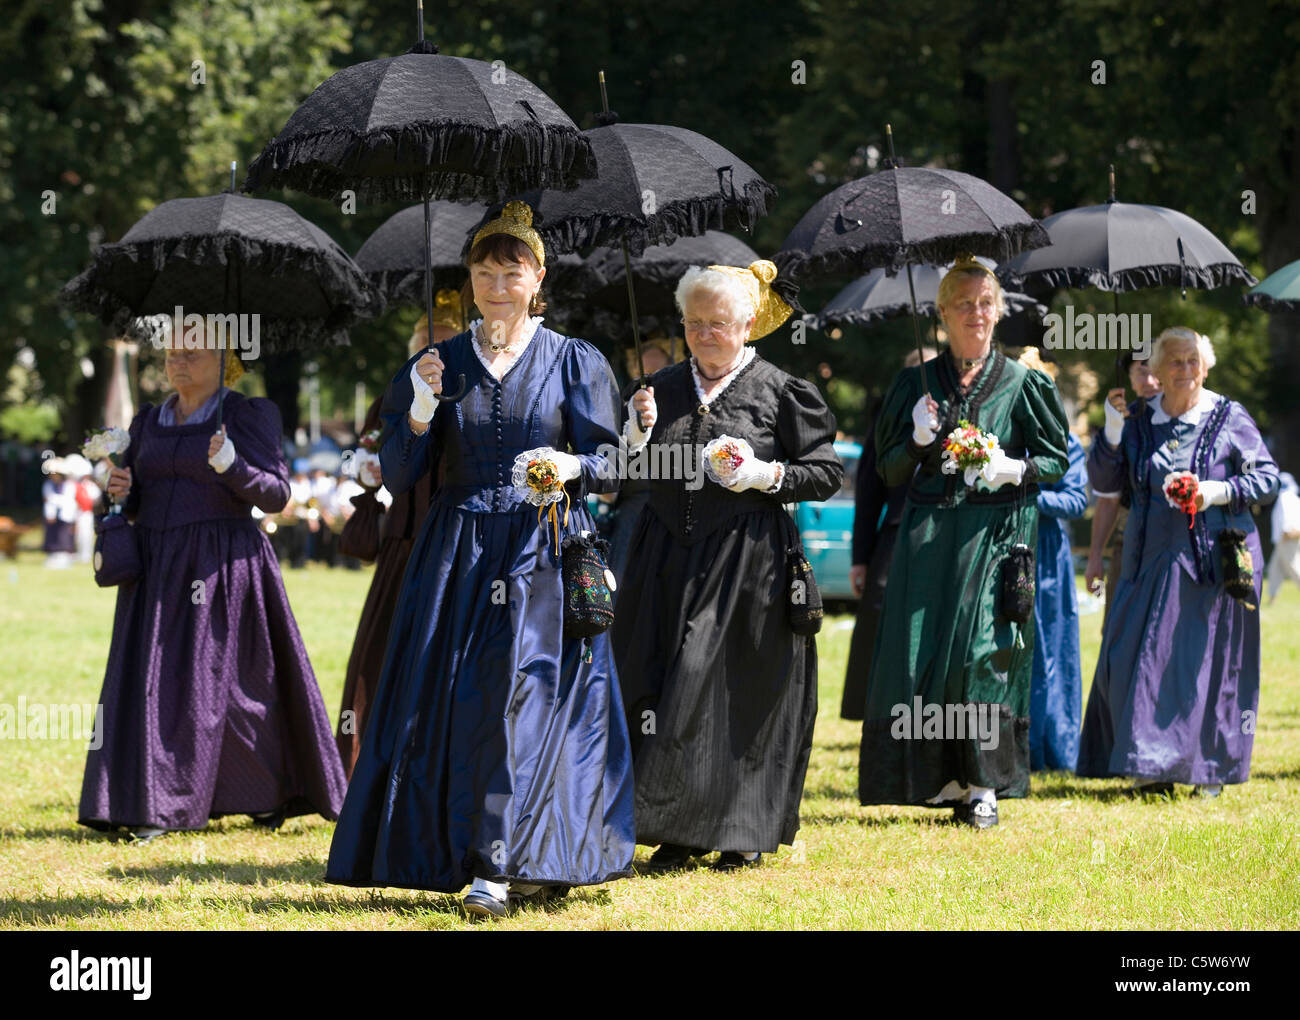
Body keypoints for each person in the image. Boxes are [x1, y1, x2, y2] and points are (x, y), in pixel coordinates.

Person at [325, 201, 635, 917]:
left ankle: (502, 862)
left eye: (512, 270)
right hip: (457, 551)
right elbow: (400, 475)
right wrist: (421, 408)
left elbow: (611, 462)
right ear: (468, 278)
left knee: (523, 697)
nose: (498, 284)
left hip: (542, 545)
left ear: (538, 277)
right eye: (485, 270)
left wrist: (569, 463)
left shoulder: (574, 359)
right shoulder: (437, 363)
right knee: (458, 700)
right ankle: (461, 848)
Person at [612, 260, 842, 872]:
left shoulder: (781, 390)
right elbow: (626, 475)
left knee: (735, 688)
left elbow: (825, 472)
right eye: (693, 323)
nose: (706, 334)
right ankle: (678, 829)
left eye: (719, 323)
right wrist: (635, 439)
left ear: (747, 325)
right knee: (665, 680)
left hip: (749, 556)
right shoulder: (655, 390)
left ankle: (741, 827)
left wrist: (763, 475)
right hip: (664, 555)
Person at [79, 344, 346, 841]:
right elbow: (138, 499)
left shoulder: (246, 414)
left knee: (241, 688)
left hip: (224, 565)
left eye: (193, 353)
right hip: (158, 565)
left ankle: (268, 791)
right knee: (160, 682)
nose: (179, 362)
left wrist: (232, 466)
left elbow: (277, 494)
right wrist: (119, 488)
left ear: (224, 360)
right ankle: (156, 801)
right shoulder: (147, 421)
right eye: (172, 353)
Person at [856, 255, 1070, 829]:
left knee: (984, 655)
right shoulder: (914, 384)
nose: (975, 313)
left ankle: (984, 785)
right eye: (963, 304)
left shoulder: (1026, 385)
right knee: (927, 658)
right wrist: (921, 438)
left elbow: (1056, 461)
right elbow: (891, 469)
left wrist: (1013, 469)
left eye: (985, 303)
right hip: (928, 539)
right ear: (942, 314)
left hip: (996, 537)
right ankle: (942, 778)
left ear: (998, 311)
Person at [1077, 327, 1278, 797]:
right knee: (1132, 658)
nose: (1185, 370)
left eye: (1193, 361)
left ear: (1206, 368)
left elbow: (1266, 477)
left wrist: (1217, 491)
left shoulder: (1229, 417)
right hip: (1148, 557)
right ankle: (1151, 768)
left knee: (1205, 663)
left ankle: (1207, 769)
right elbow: (1108, 482)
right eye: (1175, 362)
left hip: (1214, 559)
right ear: (1157, 372)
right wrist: (1110, 428)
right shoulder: (1140, 419)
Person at [334, 294, 462, 778]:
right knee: (381, 648)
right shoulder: (392, 394)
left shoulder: (466, 393)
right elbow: (369, 452)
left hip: (447, 535)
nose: (430, 351)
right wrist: (366, 469)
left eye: (441, 342)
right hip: (401, 540)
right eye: (422, 343)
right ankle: (366, 758)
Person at [842, 346, 936, 721]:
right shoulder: (886, 417)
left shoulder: (956, 415)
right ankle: (871, 708)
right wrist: (860, 559)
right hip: (894, 534)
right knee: (877, 615)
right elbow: (868, 494)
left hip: (940, 530)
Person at [1017, 348, 1088, 771]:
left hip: (1045, 555)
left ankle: (1050, 748)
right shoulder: (1000, 435)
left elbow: (1075, 500)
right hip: (1000, 547)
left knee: (1048, 650)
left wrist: (1025, 491)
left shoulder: (1064, 440)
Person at [1084, 352, 1162, 620]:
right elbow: (1107, 497)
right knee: (1119, 630)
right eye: (1141, 372)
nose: (1150, 380)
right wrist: (1095, 556)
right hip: (1129, 545)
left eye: (1156, 369)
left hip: (1176, 544)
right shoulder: (1123, 425)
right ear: (1130, 379)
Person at [605, 335, 684, 588]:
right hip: (633, 519)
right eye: (643, 373)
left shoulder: (686, 409)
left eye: (657, 373)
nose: (649, 380)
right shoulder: (620, 411)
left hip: (678, 515)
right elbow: (607, 490)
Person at [1267, 471, 1300, 602]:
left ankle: (1272, 597)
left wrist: (1286, 534)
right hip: (1287, 539)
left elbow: (1286, 519)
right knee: (1274, 570)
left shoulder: (1284, 497)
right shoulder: (1295, 497)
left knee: (1295, 569)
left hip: (1286, 538)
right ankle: (1272, 598)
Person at [41, 458, 77, 568]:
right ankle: (53, 555)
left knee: (64, 536)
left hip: (66, 516)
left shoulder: (69, 485)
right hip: (52, 516)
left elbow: (67, 500)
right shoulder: (48, 485)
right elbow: (47, 499)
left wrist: (54, 499)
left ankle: (64, 556)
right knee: (52, 536)